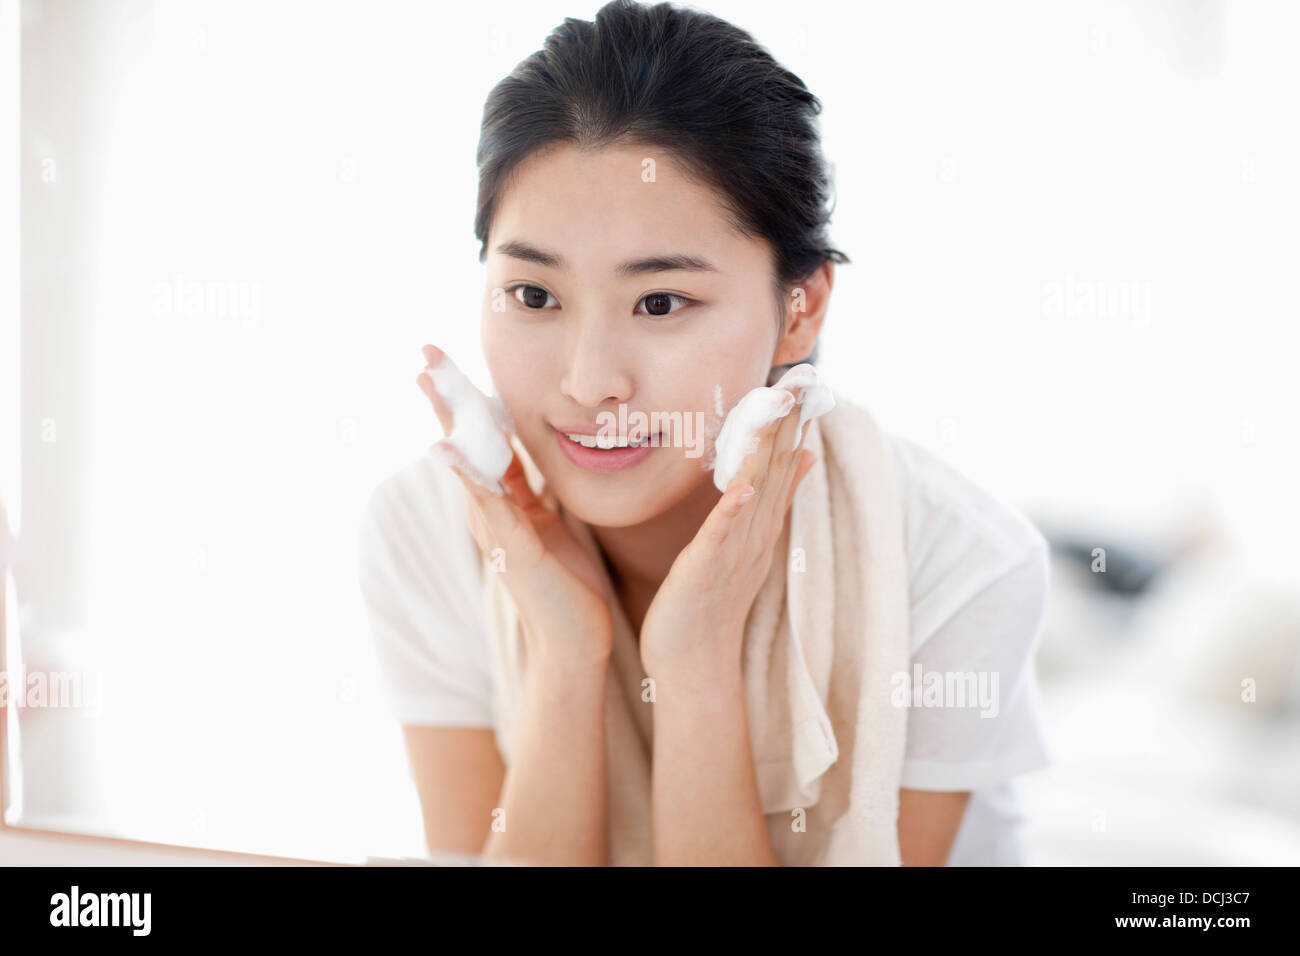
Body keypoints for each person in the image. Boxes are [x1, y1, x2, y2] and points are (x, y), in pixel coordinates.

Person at [358, 0, 1052, 865]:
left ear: (799, 313)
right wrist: (566, 659)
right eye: (535, 296)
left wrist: (695, 667)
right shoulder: (425, 529)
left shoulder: (958, 562)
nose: (588, 383)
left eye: (661, 303)